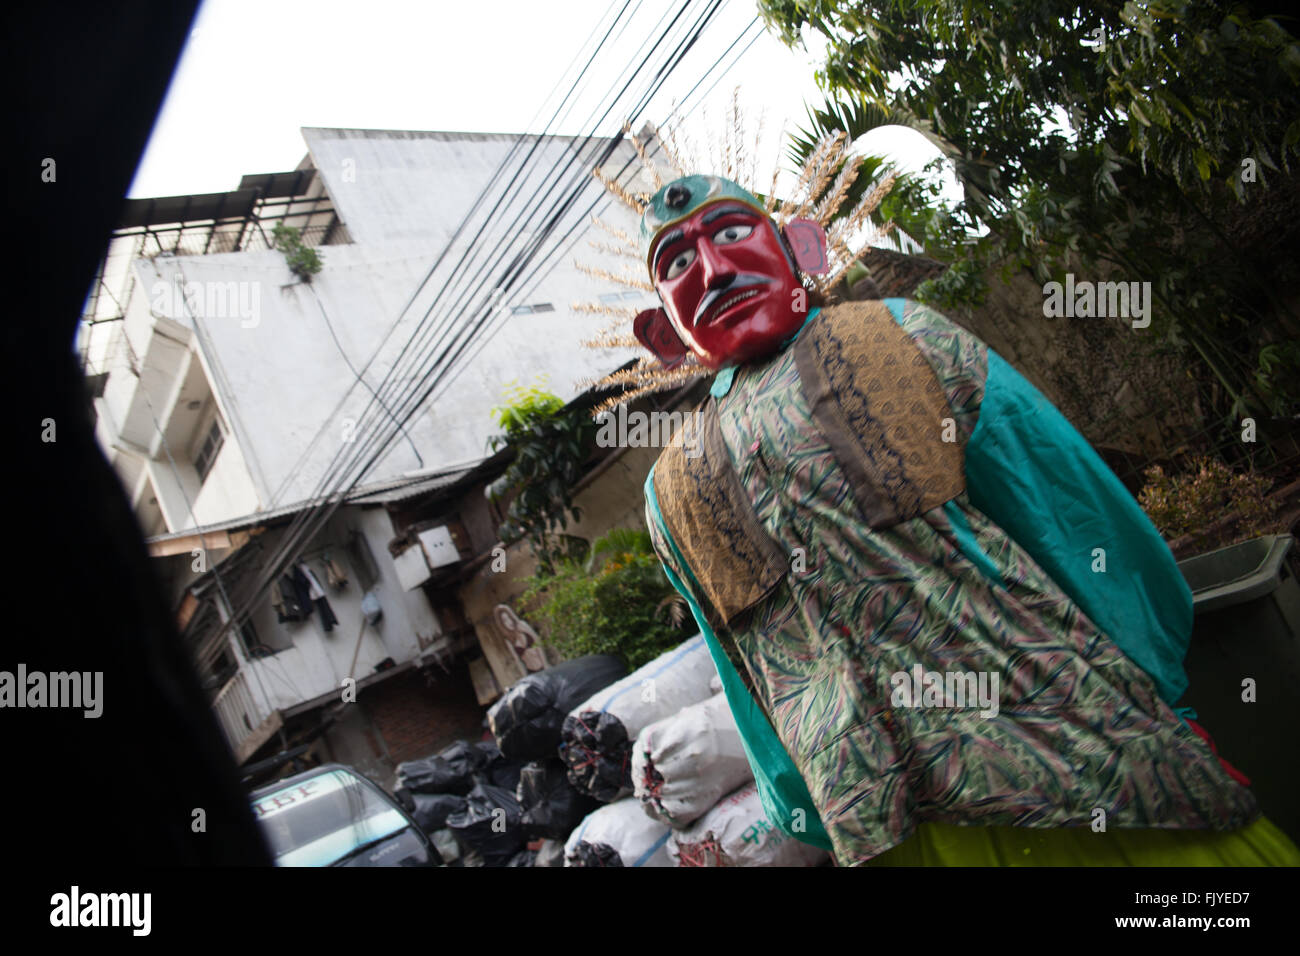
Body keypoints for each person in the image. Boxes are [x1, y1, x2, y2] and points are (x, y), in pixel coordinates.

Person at [631, 173, 1298, 866]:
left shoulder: (900, 337)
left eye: (734, 233)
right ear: (662, 333)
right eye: (677, 264)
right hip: (939, 805)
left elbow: (1066, 511)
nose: (714, 269)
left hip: (1064, 772)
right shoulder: (672, 492)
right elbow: (751, 680)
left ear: (802, 247)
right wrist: (1158, 678)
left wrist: (1155, 686)